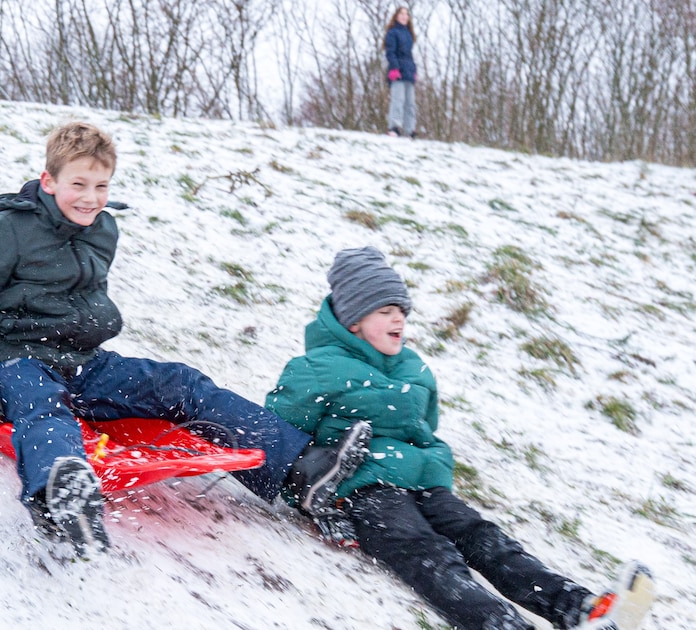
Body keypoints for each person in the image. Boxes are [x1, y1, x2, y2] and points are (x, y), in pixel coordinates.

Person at [0, 121, 372, 557]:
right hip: (19, 359)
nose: (91, 197)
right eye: (78, 184)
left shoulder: (101, 228)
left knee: (180, 383)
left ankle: (301, 469)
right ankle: (61, 496)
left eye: (101, 185)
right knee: (44, 411)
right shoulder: (12, 229)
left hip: (84, 362)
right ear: (49, 181)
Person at [265, 246, 656, 630]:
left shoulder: (413, 368)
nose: (398, 318)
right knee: (429, 553)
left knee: (481, 536)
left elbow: (424, 425)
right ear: (352, 321)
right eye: (384, 311)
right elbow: (280, 438)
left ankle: (581, 610)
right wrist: (308, 500)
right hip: (361, 487)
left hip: (421, 481)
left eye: (401, 310)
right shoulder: (315, 369)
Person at [384, 6, 417, 138]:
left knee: (410, 103)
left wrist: (413, 70)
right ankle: (395, 127)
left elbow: (409, 55)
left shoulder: (409, 34)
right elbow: (390, 52)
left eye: (406, 14)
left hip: (408, 71)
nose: (404, 16)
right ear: (396, 16)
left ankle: (410, 130)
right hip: (397, 71)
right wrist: (394, 68)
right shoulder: (392, 33)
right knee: (398, 100)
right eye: (401, 14)